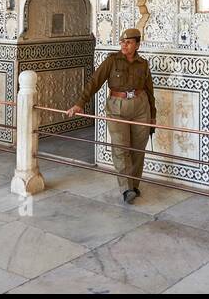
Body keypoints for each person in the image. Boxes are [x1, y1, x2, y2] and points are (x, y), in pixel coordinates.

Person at [66, 27, 155, 202]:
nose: (124, 45)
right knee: (120, 147)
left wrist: (152, 115)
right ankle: (126, 189)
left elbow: (150, 91)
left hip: (141, 107)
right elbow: (94, 82)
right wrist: (79, 104)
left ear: (137, 45)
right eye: (122, 42)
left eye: (128, 42)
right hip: (117, 108)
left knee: (138, 149)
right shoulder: (112, 61)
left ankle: (134, 185)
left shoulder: (143, 64)